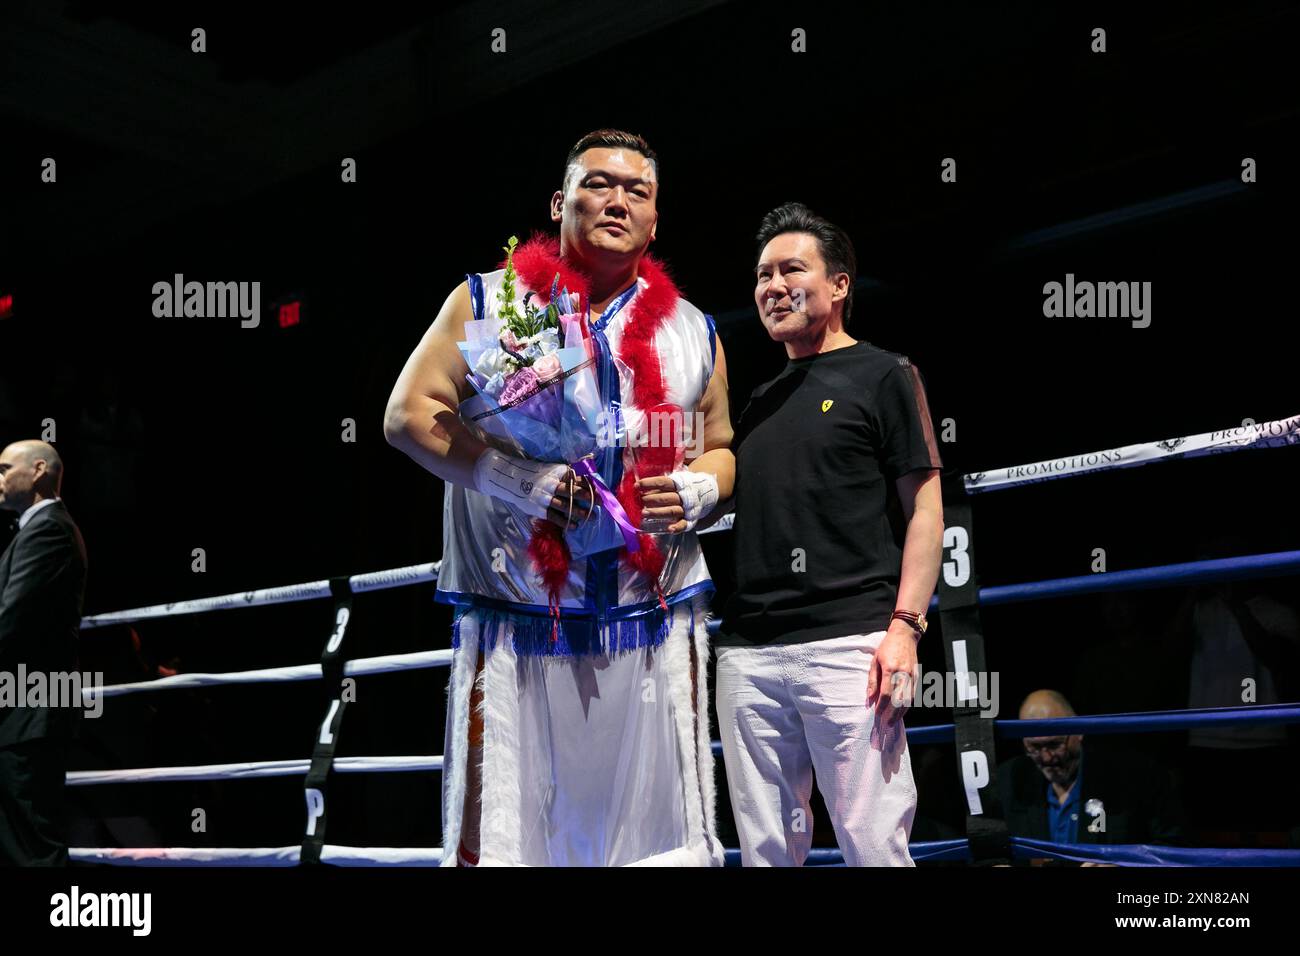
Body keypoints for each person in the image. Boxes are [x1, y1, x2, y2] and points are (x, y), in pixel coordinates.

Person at [384, 129, 734, 866]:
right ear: (559, 202)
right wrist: (519, 481)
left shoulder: (693, 328)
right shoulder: (490, 298)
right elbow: (407, 415)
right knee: (509, 841)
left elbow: (722, 445)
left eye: (637, 190)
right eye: (598, 184)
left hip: (652, 618)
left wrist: (702, 486)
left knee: (663, 844)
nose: (617, 200)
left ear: (656, 219)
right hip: (519, 618)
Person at [712, 202, 944, 866]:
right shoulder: (756, 404)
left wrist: (906, 625)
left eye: (792, 268)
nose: (772, 286)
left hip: (851, 645)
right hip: (748, 653)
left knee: (872, 841)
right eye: (762, 274)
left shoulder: (885, 374)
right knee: (764, 850)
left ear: (839, 284)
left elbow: (926, 506)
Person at [0, 439, 88, 866]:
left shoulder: (49, 528)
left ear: (37, 471)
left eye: (3, 469)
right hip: (23, 706)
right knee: (18, 839)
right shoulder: (33, 530)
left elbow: (10, 617)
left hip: (32, 705)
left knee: (33, 843)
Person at [997, 690, 1183, 854]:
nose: (1046, 757)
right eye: (1034, 747)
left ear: (1079, 731)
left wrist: (1118, 865)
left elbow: (1175, 846)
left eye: (1054, 745)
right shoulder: (1009, 778)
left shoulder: (1134, 777)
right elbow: (986, 848)